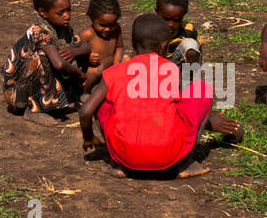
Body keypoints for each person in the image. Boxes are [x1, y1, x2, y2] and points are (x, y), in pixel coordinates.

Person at [79, 13, 241, 177]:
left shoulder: (114, 72)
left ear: (132, 43)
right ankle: (185, 164)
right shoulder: (171, 70)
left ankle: (117, 165)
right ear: (164, 46)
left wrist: (88, 137)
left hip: (125, 156)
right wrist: (208, 121)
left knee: (100, 98)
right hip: (169, 156)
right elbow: (183, 108)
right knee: (203, 89)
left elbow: (85, 111)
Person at [2, 0, 87, 126]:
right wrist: (80, 75)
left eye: (69, 10)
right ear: (43, 12)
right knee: (42, 57)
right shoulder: (40, 31)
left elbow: (85, 45)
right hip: (18, 93)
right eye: (61, 12)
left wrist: (74, 51)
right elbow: (59, 64)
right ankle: (33, 110)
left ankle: (65, 99)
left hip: (40, 84)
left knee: (73, 52)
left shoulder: (63, 27)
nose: (67, 16)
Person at [78, 0, 124, 96]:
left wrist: (117, 63)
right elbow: (75, 56)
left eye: (112, 24)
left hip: (109, 73)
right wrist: (87, 58)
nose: (108, 29)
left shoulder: (116, 30)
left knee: (126, 60)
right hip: (91, 76)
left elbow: (119, 47)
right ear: (92, 19)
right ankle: (85, 93)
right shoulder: (87, 35)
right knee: (96, 70)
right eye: (102, 25)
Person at [157, 0, 201, 65]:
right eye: (166, 19)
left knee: (191, 46)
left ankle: (187, 76)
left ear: (184, 15)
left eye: (176, 20)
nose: (170, 25)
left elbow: (198, 56)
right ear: (157, 12)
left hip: (177, 68)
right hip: (152, 68)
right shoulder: (148, 29)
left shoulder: (188, 32)